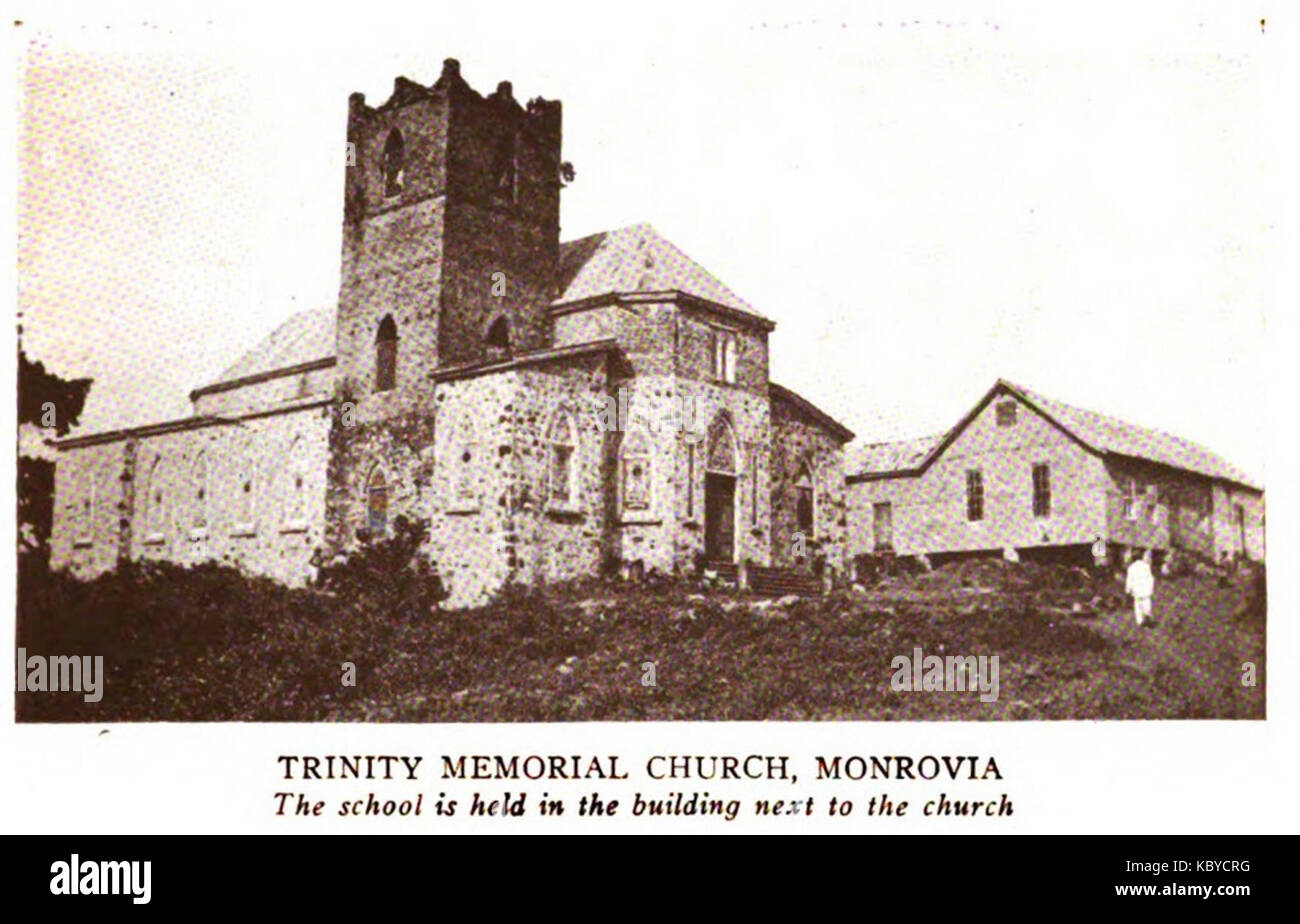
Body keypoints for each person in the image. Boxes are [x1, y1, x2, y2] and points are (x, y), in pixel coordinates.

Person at [1125, 548, 1156, 626]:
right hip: (1145, 587)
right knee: (1146, 601)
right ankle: (1147, 614)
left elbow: (1130, 580)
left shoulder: (1131, 568)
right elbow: (1150, 577)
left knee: (1137, 604)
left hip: (1137, 589)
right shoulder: (1146, 566)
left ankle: (1140, 620)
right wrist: (1151, 586)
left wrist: (1128, 589)